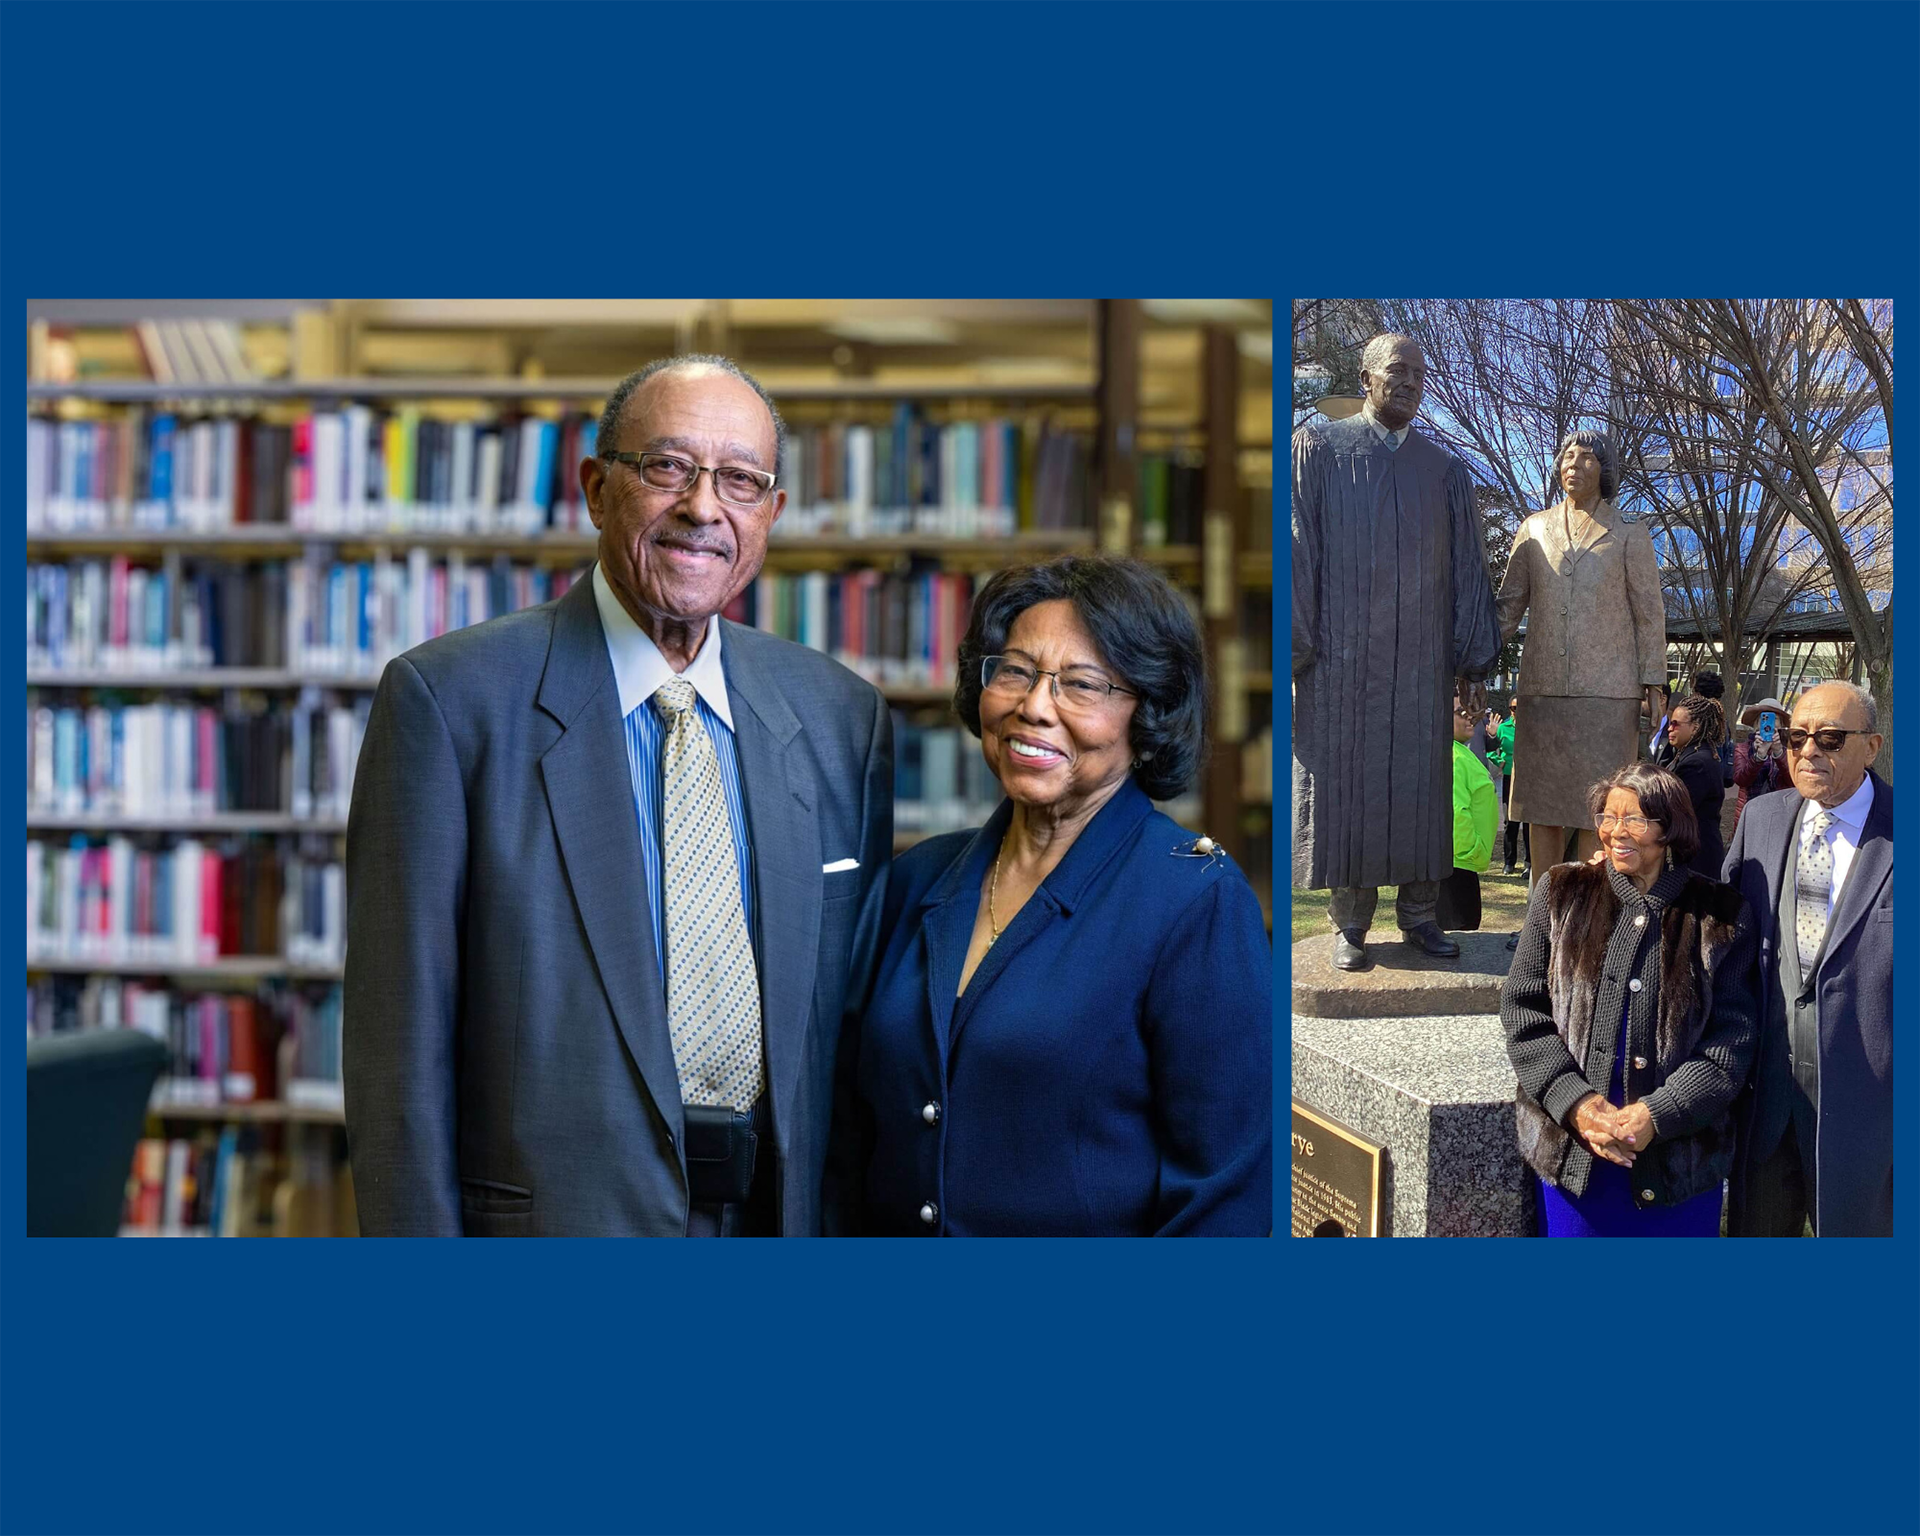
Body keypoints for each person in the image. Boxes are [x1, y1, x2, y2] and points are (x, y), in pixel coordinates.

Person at [343, 356, 894, 1236]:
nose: (703, 508)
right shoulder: (451, 703)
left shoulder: (840, 719)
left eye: (741, 482)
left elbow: (853, 1035)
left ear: (772, 515)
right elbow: (395, 1057)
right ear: (598, 489)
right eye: (669, 467)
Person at [829, 556, 1271, 1235]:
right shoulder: (917, 879)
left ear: (1146, 714)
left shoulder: (1195, 900)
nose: (1034, 707)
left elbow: (1225, 1198)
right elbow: (856, 1141)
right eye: (1014, 671)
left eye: (1082, 685)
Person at [1293, 334, 1500, 972]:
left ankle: (1419, 919)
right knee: (1345, 786)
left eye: (1418, 372)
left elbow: (1468, 565)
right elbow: (1297, 545)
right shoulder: (1319, 448)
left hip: (1420, 660)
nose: (1409, 381)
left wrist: (1471, 660)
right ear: (1366, 376)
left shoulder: (1443, 469)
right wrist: (1297, 647)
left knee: (1420, 787)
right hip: (1341, 658)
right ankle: (1350, 924)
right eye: (1396, 370)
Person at [1501, 763, 1758, 1237]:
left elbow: (1731, 1042)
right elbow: (1522, 1011)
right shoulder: (1559, 892)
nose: (1615, 832)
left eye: (1635, 820)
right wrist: (1578, 1106)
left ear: (1670, 829)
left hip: (1678, 1165)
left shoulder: (1721, 916)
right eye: (1607, 816)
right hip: (1576, 1162)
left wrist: (1656, 1116)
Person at [1723, 681, 1892, 1238]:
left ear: (1871, 746)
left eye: (1830, 738)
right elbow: (1721, 934)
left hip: (1872, 1119)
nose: (1808, 751)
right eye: (1797, 737)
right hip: (1768, 1108)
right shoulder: (1763, 819)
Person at [1495, 430, 1666, 897]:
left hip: (1609, 694)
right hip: (1543, 689)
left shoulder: (1630, 532)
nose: (1574, 463)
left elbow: (1648, 610)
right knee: (1541, 808)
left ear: (1604, 470)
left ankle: (1592, 912)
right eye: (1568, 455)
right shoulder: (1533, 528)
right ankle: (1541, 914)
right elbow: (1509, 606)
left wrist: (1654, 678)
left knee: (1603, 812)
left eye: (1587, 457)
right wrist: (1470, 654)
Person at [1436, 702, 1498, 933]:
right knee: (1461, 931)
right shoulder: (1452, 756)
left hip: (1462, 863)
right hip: (1456, 865)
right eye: (1460, 712)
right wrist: (1469, 850)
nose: (1469, 716)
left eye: (1470, 711)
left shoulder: (1459, 752)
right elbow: (1455, 809)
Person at [1664, 693, 1726, 879]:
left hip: (1697, 857)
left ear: (1695, 727)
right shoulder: (1693, 756)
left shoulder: (1697, 763)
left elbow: (1676, 809)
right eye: (1669, 722)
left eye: (1675, 724)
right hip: (1695, 851)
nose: (1669, 728)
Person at [1731, 696, 1790, 827]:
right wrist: (1759, 756)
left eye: (1775, 719)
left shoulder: (1790, 750)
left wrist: (1779, 753)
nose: (1770, 724)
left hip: (1781, 815)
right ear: (1756, 724)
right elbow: (1741, 780)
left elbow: (1793, 781)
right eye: (1763, 719)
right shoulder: (1743, 749)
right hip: (1751, 814)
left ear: (1781, 725)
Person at [1495, 698, 1528, 876]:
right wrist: (1500, 761)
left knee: (1529, 821)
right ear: (1510, 709)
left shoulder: (1531, 728)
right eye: (1514, 707)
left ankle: (1529, 863)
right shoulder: (1503, 728)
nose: (1517, 710)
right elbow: (1492, 748)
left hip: (1528, 777)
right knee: (1510, 821)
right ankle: (1509, 862)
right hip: (1509, 776)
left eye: (1520, 707)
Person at [1649, 681, 1675, 764]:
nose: (1640, 703)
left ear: (1662, 700)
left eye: (1646, 697)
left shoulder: (1675, 734)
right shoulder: (1632, 731)